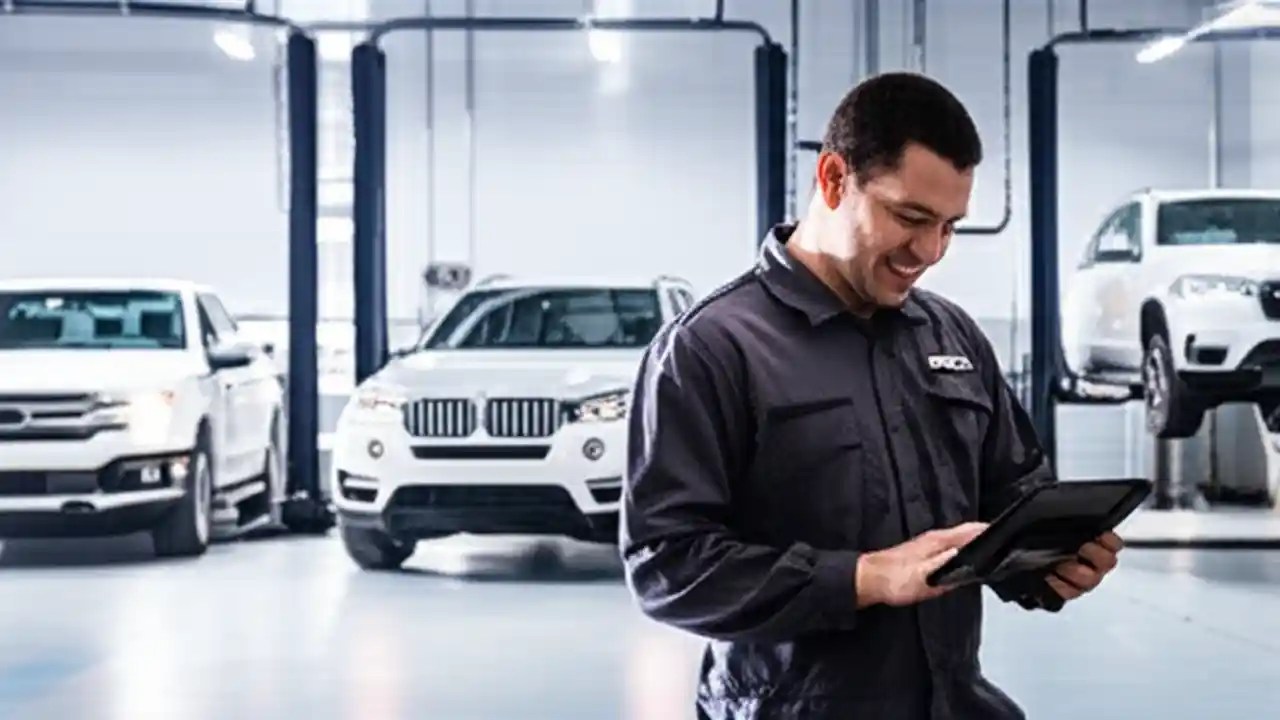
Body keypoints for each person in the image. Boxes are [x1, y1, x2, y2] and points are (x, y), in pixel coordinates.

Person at [619, 72, 1125, 720]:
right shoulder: (710, 350)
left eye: (949, 226)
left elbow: (1009, 499)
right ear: (833, 180)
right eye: (910, 218)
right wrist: (865, 578)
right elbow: (668, 565)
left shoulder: (953, 334)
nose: (931, 251)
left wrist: (1049, 561)